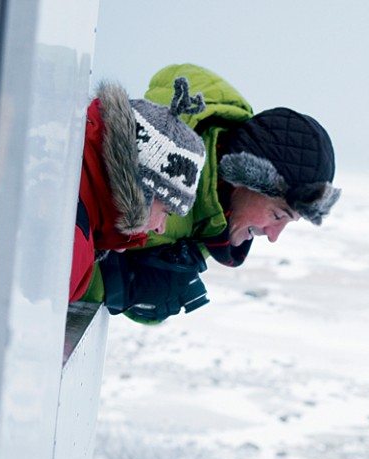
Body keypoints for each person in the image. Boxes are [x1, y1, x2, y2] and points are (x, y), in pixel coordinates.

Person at [81, 63, 340, 322]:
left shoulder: (216, 216)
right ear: (246, 179)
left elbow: (150, 305)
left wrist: (140, 291)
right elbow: (61, 260)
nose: (273, 236)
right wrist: (115, 285)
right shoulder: (155, 171)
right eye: (277, 215)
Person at [69, 75, 207, 302]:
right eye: (166, 212)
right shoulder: (74, 239)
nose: (161, 229)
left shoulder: (76, 190)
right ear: (145, 191)